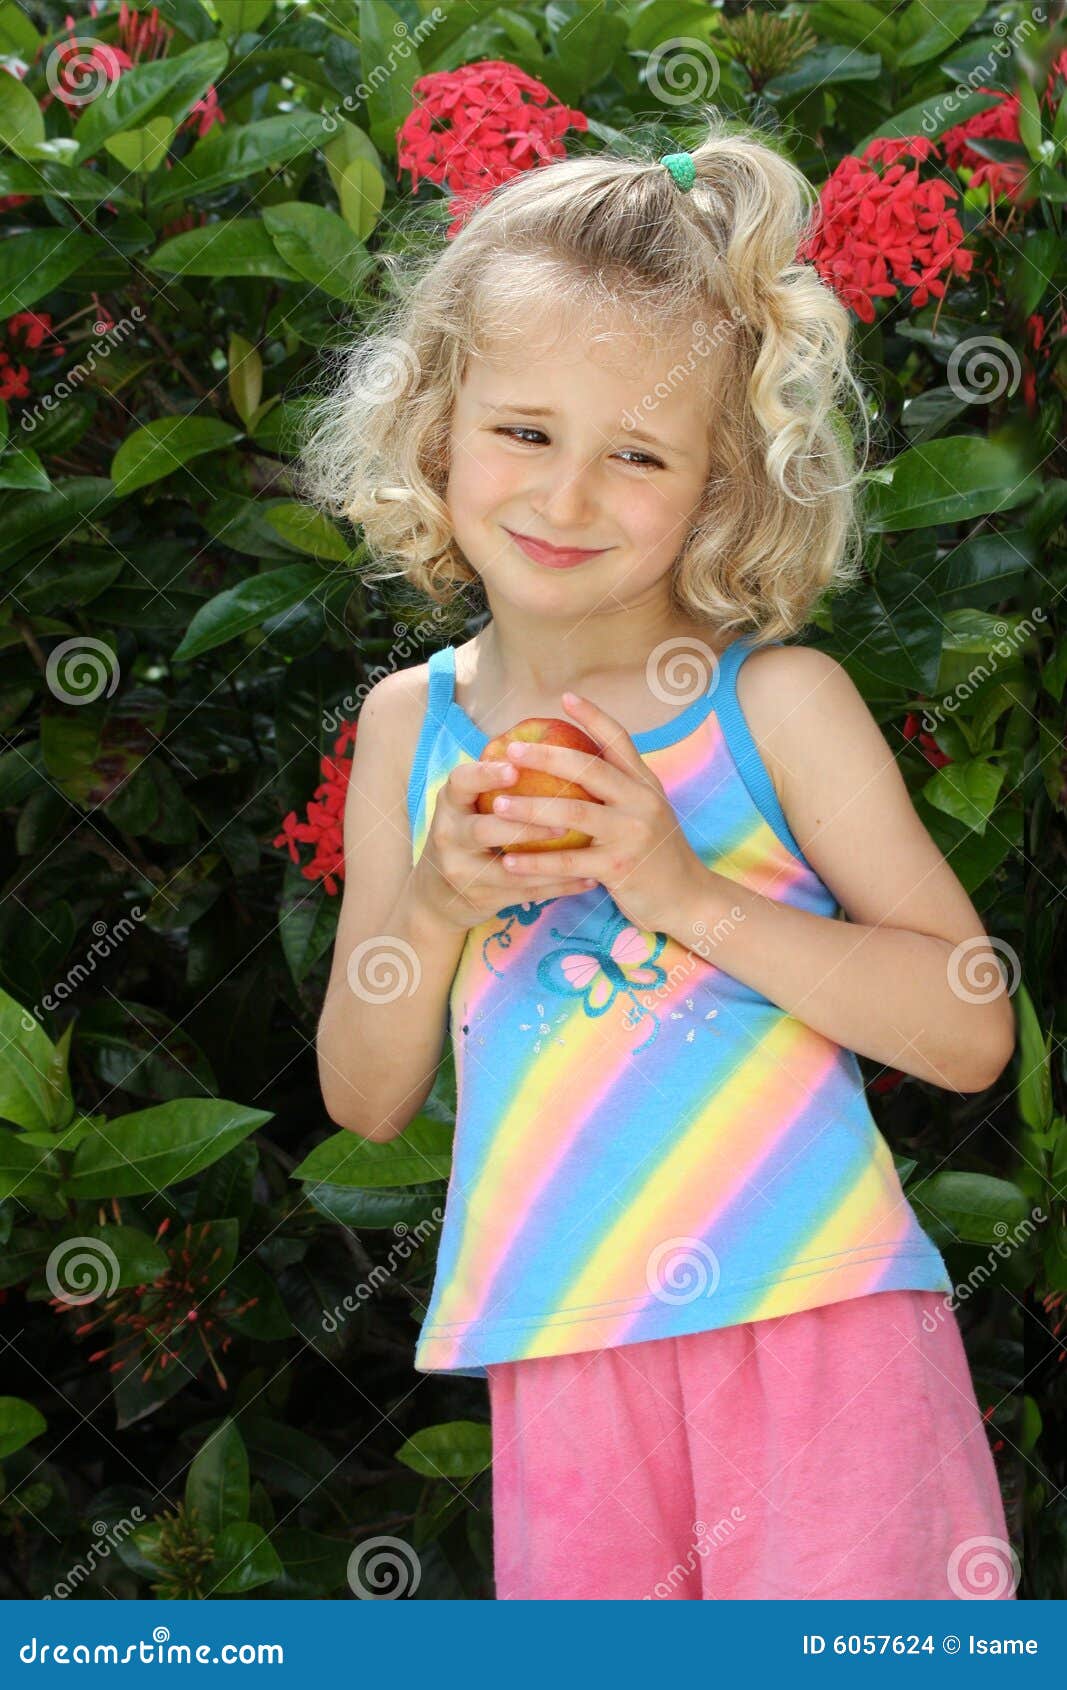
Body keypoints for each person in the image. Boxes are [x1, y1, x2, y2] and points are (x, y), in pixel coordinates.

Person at [306, 110, 1018, 1602]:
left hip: (818, 1325)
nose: (566, 498)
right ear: (437, 425)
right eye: (524, 431)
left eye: (639, 453)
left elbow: (966, 1025)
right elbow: (367, 1099)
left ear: (724, 483)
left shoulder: (776, 706)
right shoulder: (408, 727)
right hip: (562, 1349)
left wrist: (682, 889)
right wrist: (436, 896)